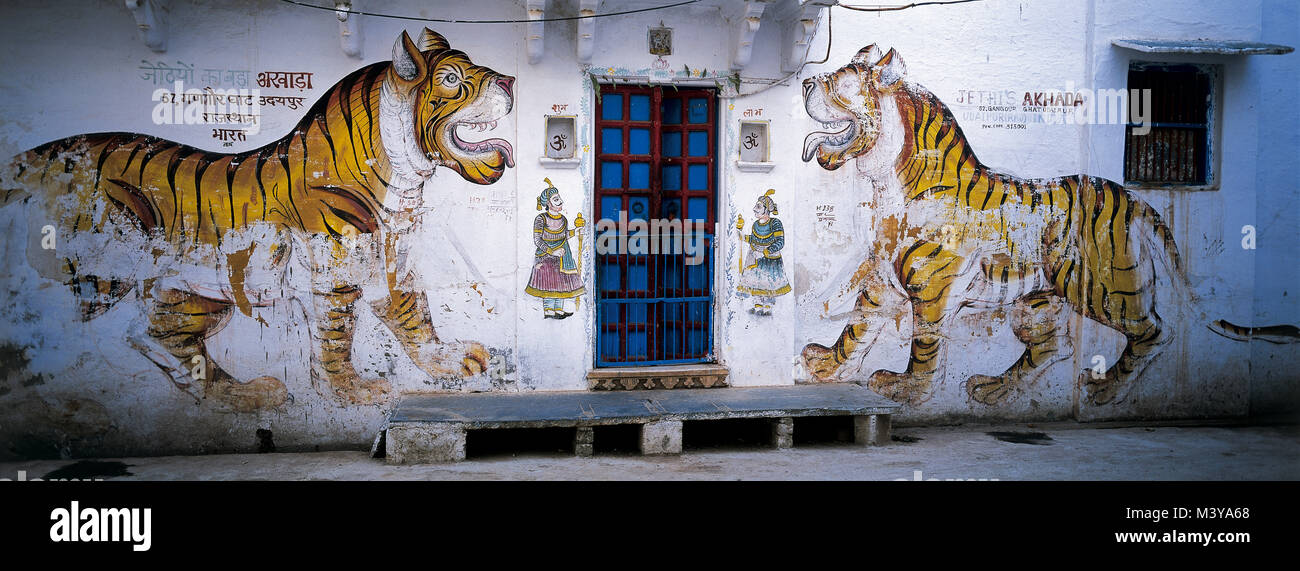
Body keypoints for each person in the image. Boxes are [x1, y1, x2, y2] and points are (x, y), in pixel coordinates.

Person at [525, 179, 585, 318]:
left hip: (563, 257)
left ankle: (559, 309)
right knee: (549, 283)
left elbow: (563, 235)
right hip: (545, 256)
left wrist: (576, 231)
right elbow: (537, 240)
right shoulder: (541, 219)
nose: (560, 201)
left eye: (559, 198)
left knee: (561, 283)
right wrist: (552, 251)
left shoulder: (563, 219)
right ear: (548, 203)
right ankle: (548, 310)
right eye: (556, 199)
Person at [736, 189, 790, 315]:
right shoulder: (755, 224)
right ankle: (757, 306)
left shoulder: (775, 223)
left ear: (766, 209)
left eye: (758, 206)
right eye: (756, 206)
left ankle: (768, 308)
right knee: (756, 284)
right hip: (755, 258)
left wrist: (765, 252)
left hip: (770, 260)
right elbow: (754, 240)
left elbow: (780, 242)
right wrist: (742, 235)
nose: (755, 209)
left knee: (769, 285)